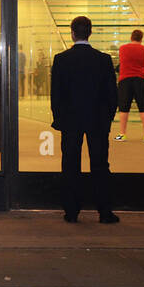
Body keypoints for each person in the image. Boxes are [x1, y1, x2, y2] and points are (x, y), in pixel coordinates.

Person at [51, 16, 119, 224]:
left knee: (70, 164)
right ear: (90, 33)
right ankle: (104, 211)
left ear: (72, 33)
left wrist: (60, 119)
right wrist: (106, 119)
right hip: (97, 121)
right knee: (100, 164)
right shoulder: (103, 59)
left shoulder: (62, 59)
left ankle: (71, 211)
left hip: (71, 121)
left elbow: (57, 95)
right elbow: (112, 95)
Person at [115, 29, 144, 141]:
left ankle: (122, 134)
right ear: (141, 38)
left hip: (125, 79)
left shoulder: (123, 48)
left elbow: (122, 62)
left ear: (131, 37)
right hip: (140, 79)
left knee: (124, 108)